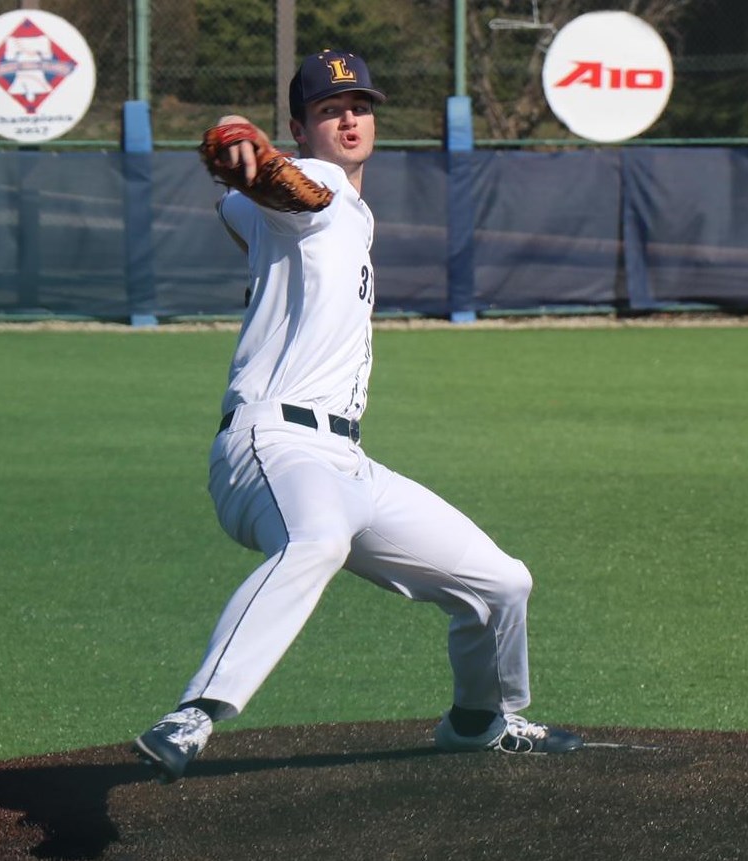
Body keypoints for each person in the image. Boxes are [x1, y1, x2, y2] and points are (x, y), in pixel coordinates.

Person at [131, 49, 584, 783]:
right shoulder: (321, 191)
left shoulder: (318, 213)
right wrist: (249, 150)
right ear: (300, 128)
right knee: (316, 540)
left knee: (502, 584)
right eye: (329, 109)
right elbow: (286, 188)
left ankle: (480, 720)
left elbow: (239, 204)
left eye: (360, 106)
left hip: (347, 463)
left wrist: (243, 156)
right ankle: (196, 711)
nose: (349, 119)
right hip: (272, 444)